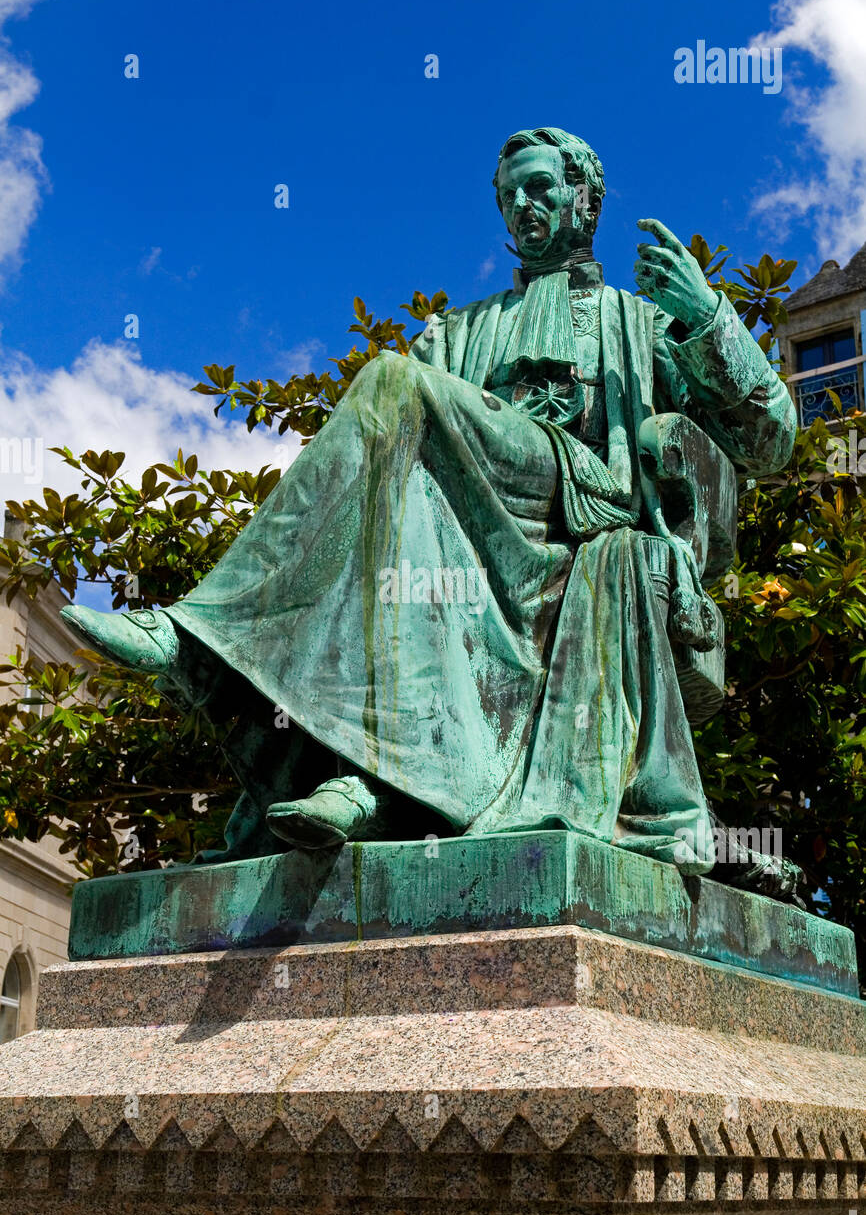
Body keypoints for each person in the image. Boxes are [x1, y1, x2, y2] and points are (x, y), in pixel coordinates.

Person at [62, 128, 796, 873]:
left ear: (585, 198)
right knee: (391, 494)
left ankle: (194, 634)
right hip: (480, 533)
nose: (521, 205)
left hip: (580, 506)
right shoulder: (461, 333)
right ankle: (373, 783)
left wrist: (707, 316)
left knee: (390, 382)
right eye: (508, 194)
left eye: (540, 187)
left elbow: (772, 439)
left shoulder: (642, 322)